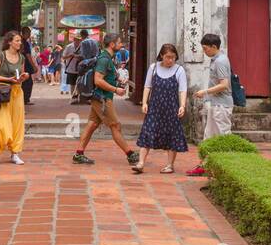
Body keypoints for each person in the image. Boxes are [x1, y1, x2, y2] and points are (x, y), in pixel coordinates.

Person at [72, 33, 140, 167]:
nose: (121, 45)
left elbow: (106, 76)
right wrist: (115, 89)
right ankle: (130, 154)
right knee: (115, 125)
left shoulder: (107, 57)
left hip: (100, 97)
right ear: (112, 44)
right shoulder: (104, 59)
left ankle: (78, 154)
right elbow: (98, 80)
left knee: (92, 124)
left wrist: (118, 80)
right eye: (119, 43)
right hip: (102, 98)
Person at [133, 43, 188, 174]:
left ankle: (170, 165)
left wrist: (182, 105)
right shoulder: (153, 68)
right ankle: (141, 163)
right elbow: (147, 86)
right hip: (154, 108)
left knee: (171, 135)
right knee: (147, 132)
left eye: (173, 57)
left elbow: (182, 90)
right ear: (162, 56)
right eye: (168, 57)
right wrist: (144, 103)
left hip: (171, 109)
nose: (171, 60)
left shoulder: (179, 70)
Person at [186, 33, 232, 177]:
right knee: (209, 137)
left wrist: (205, 92)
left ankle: (228, 168)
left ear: (213, 47)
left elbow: (224, 85)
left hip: (221, 105)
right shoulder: (217, 59)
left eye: (205, 48)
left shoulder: (220, 61)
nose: (204, 51)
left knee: (223, 137)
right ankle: (204, 165)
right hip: (215, 104)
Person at [0, 31, 28, 166]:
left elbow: (20, 75)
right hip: (3, 92)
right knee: (1, 124)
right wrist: (8, 79)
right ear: (9, 42)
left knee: (17, 123)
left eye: (20, 41)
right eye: (17, 40)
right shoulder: (1, 56)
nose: (19, 43)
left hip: (17, 92)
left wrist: (24, 77)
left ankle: (15, 152)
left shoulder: (21, 57)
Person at [19, 26, 38, 105]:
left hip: (21, 64)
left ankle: (24, 99)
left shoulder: (22, 42)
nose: (29, 35)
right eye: (29, 33)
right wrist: (34, 66)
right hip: (25, 64)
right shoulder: (24, 43)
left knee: (24, 82)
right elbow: (28, 55)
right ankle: (25, 99)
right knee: (28, 82)